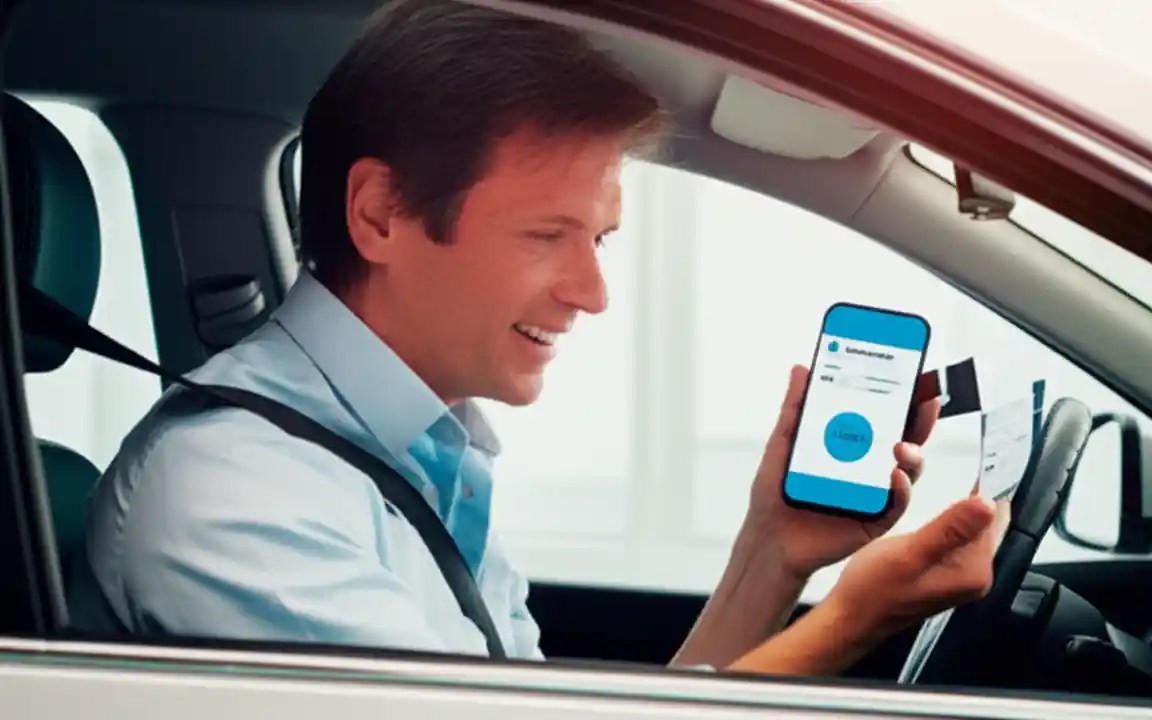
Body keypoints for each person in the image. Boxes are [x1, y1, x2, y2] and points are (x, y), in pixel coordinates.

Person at [69, 0, 1009, 675]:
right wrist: (856, 617)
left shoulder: (415, 455)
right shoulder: (237, 496)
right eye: (546, 235)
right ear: (381, 213)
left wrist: (776, 552)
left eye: (596, 240)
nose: (594, 293)